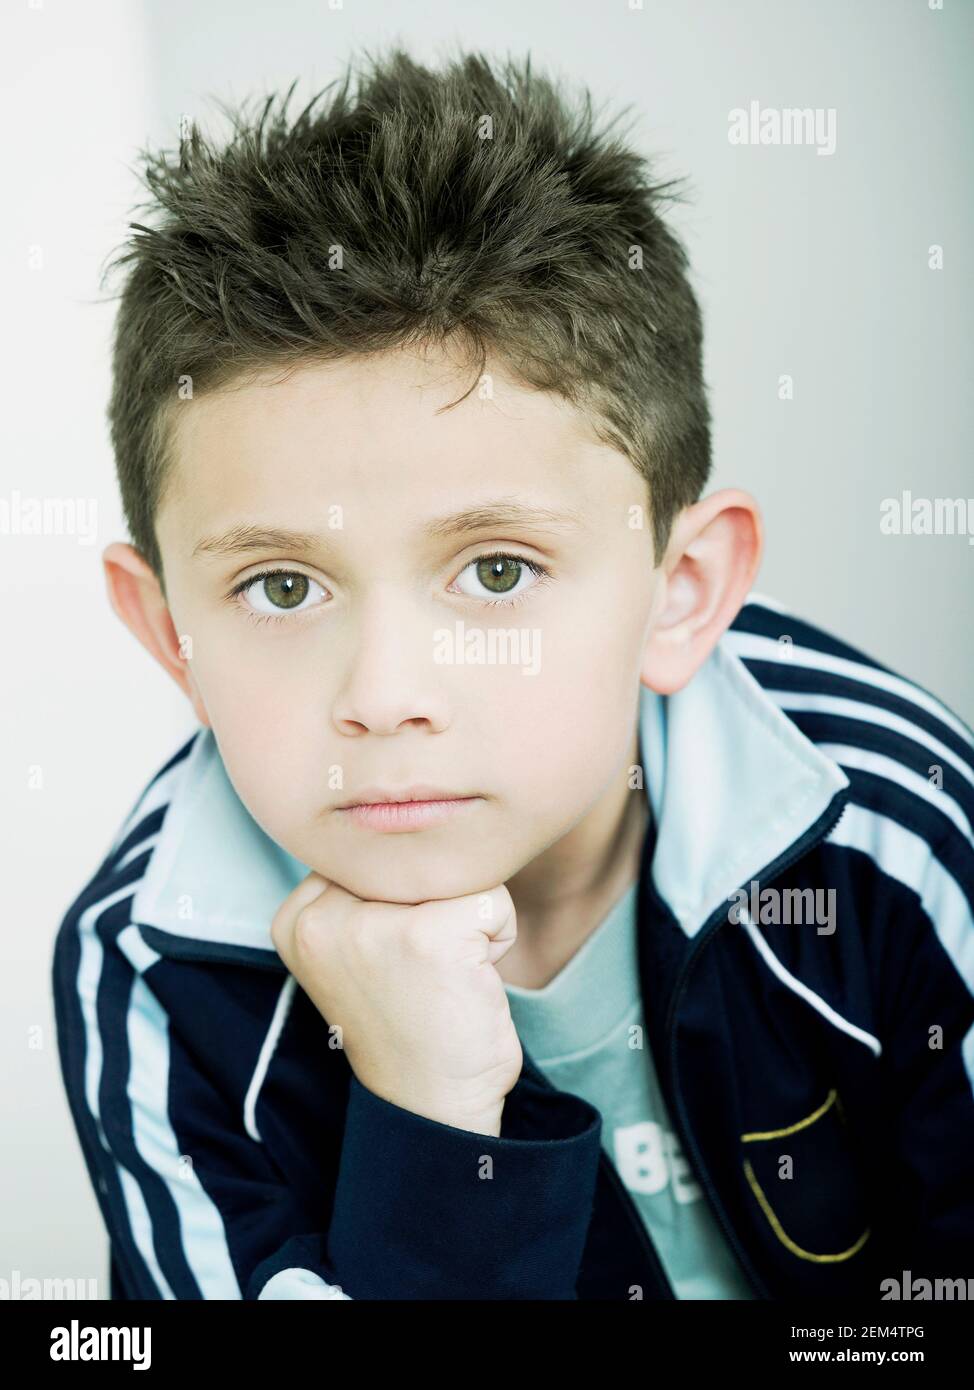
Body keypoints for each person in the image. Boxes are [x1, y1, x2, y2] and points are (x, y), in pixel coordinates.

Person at [52, 46, 974, 1300]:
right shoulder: (155, 970)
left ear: (680, 591)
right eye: (281, 587)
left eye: (494, 572)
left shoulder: (894, 841)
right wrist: (430, 1111)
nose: (383, 695)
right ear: (171, 635)